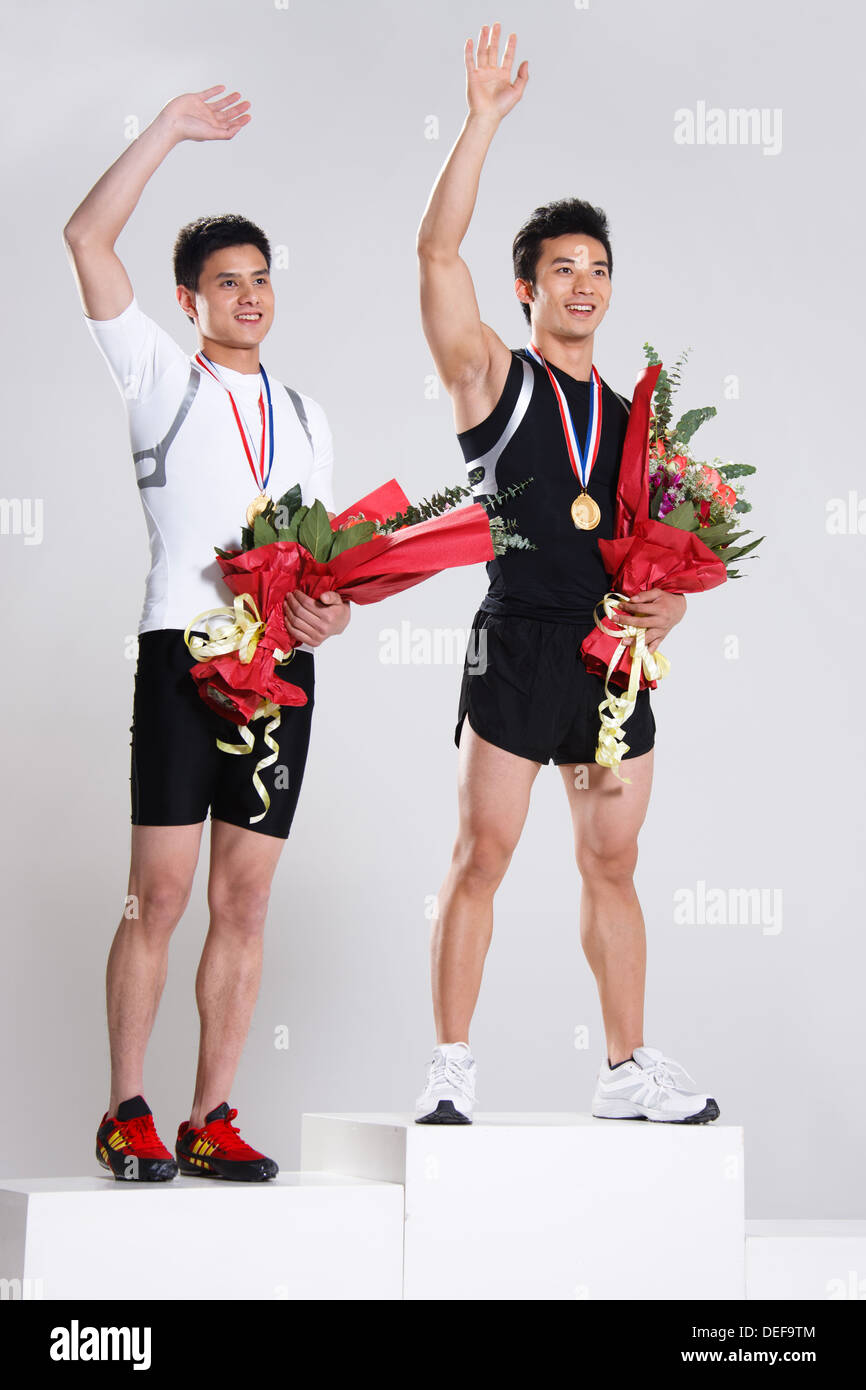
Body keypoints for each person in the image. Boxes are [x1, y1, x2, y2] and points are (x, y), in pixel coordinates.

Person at [413, 26, 719, 1126]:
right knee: (481, 853)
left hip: (610, 657)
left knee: (612, 860)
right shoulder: (492, 377)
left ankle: (623, 1067)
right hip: (520, 636)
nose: (582, 285)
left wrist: (671, 603)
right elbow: (434, 260)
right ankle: (450, 1062)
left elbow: (671, 551)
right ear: (525, 287)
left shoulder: (640, 419)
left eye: (596, 270)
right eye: (561, 270)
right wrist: (484, 118)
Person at [63, 86, 351, 1180]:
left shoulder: (309, 414)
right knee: (163, 892)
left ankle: (210, 1113)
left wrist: (331, 610)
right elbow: (86, 235)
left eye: (260, 279)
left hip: (278, 667)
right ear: (188, 300)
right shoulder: (155, 377)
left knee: (245, 894)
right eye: (226, 283)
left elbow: (317, 562)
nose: (248, 296)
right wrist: (171, 132)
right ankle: (123, 1107)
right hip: (181, 652)